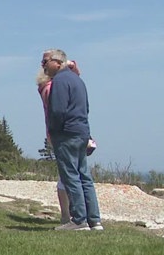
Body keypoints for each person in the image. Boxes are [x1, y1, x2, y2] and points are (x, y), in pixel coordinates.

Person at [43, 48, 102, 231]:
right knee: (84, 176)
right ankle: (94, 220)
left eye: (45, 61)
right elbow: (86, 107)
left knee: (71, 176)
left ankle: (78, 220)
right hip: (81, 131)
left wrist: (53, 131)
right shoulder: (78, 80)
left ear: (58, 62)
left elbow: (58, 110)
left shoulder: (59, 81)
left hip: (66, 133)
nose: (43, 66)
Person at [36, 58, 80, 224]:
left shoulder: (56, 85)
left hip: (66, 133)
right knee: (67, 175)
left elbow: (76, 77)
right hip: (63, 133)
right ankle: (68, 216)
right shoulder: (48, 87)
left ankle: (72, 215)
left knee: (70, 173)